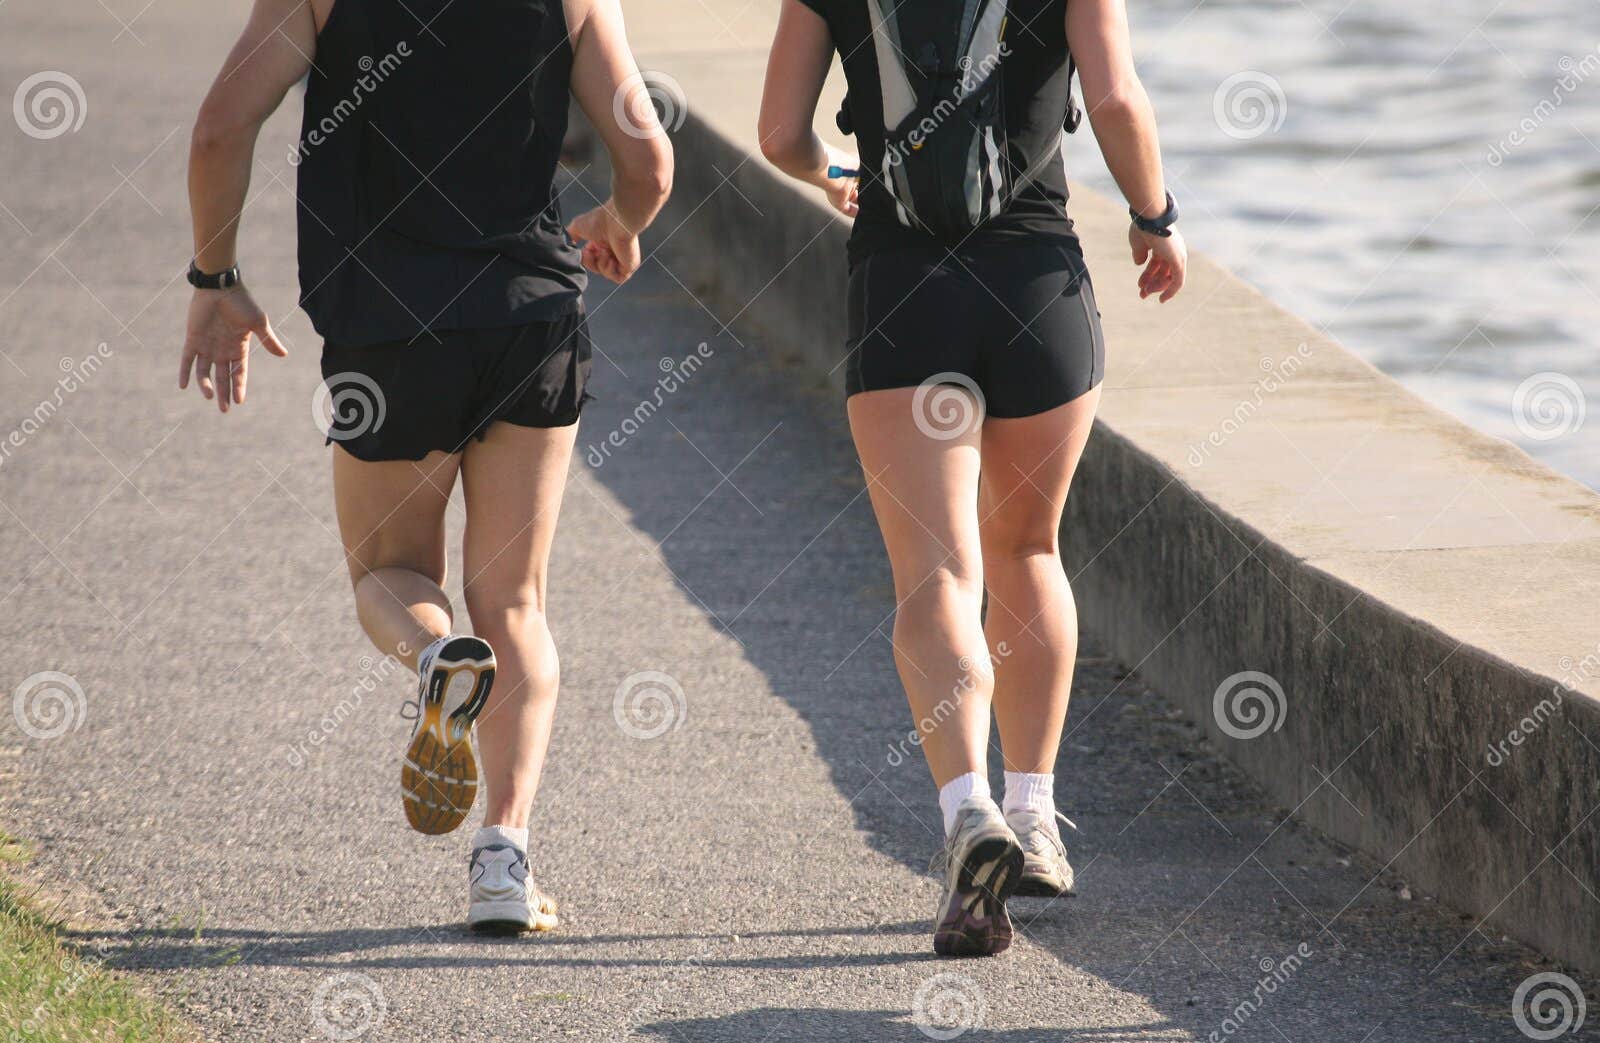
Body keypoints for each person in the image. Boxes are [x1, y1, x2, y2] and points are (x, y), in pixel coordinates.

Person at [178, 0, 672, 933]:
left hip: (387, 326)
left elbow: (217, 130)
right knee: (517, 602)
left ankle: (438, 657)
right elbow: (648, 159)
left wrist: (215, 280)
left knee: (387, 572)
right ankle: (503, 862)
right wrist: (620, 220)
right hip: (531, 315)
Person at [758, 0, 1185, 956]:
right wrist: (1156, 217)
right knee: (1029, 546)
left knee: (938, 574)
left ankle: (968, 813)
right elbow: (1114, 97)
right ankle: (1033, 815)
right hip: (1037, 286)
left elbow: (780, 132)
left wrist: (834, 172)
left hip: (906, 291)